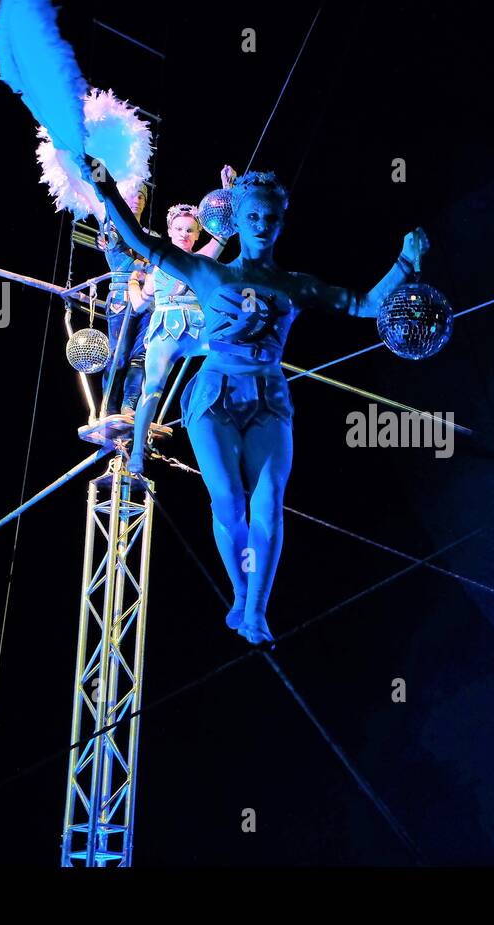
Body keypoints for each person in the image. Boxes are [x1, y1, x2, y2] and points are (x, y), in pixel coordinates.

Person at [90, 160, 429, 644]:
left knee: (269, 505)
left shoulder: (295, 283)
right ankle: (241, 591)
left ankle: (254, 611)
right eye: (252, 218)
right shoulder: (206, 271)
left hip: (268, 399)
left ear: (280, 223)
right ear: (240, 219)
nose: (262, 226)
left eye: (270, 219)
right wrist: (105, 188)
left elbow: (365, 305)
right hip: (215, 397)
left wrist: (404, 262)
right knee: (228, 500)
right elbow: (143, 244)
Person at [128, 166, 236, 472]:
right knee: (153, 387)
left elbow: (223, 235)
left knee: (231, 352)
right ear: (170, 231)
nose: (185, 235)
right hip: (165, 331)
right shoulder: (158, 262)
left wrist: (226, 191)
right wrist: (132, 282)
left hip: (199, 328)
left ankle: (221, 423)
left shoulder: (200, 260)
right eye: (180, 230)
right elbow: (138, 305)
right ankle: (137, 449)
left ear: (197, 233)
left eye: (191, 230)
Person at [96, 183, 154, 416]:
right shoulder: (114, 227)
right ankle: (108, 407)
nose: (137, 200)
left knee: (140, 355)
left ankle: (128, 406)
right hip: (122, 296)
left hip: (147, 298)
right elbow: (109, 239)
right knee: (118, 355)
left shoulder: (150, 237)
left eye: (141, 196)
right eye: (132, 195)